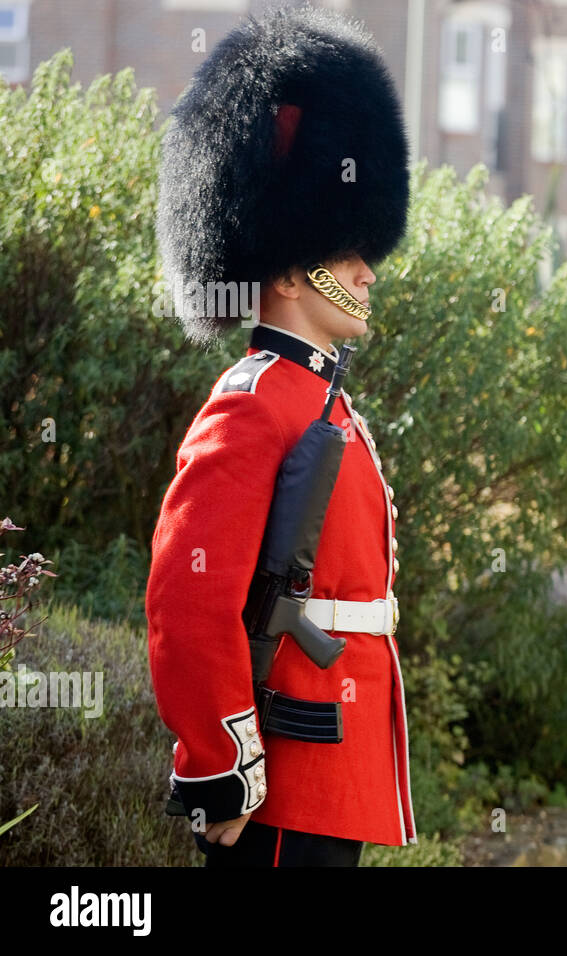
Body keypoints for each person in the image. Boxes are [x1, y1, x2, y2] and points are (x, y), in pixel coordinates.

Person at [146, 7, 414, 866]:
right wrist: (223, 764)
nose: (369, 271)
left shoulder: (319, 400)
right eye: (348, 253)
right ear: (294, 269)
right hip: (284, 776)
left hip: (336, 760)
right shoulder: (254, 403)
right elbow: (187, 602)